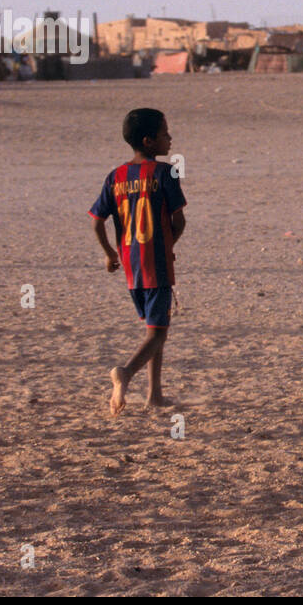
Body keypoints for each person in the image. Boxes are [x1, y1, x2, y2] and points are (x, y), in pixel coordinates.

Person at [90, 109, 186, 414]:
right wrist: (168, 246)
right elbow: (179, 221)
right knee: (158, 333)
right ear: (149, 140)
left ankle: (154, 393)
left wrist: (109, 254)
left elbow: (96, 221)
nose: (170, 139)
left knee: (154, 329)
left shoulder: (115, 176)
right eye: (165, 134)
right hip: (156, 262)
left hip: (130, 265)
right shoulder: (165, 172)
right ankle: (126, 373)